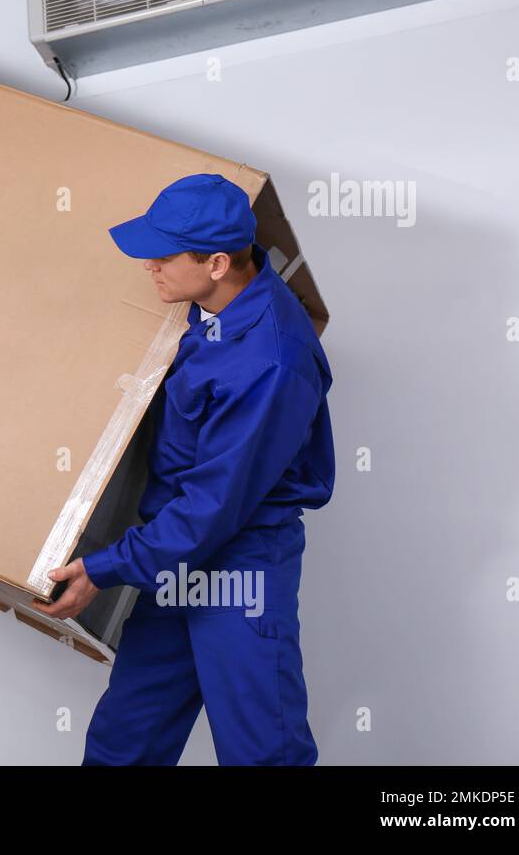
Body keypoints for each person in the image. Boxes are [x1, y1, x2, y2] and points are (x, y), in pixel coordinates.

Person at [34, 173, 335, 765]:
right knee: (127, 739)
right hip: (174, 556)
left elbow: (213, 507)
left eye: (163, 255)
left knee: (261, 754)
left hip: (239, 566)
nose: (149, 265)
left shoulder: (271, 362)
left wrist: (105, 565)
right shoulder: (209, 308)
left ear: (218, 262)